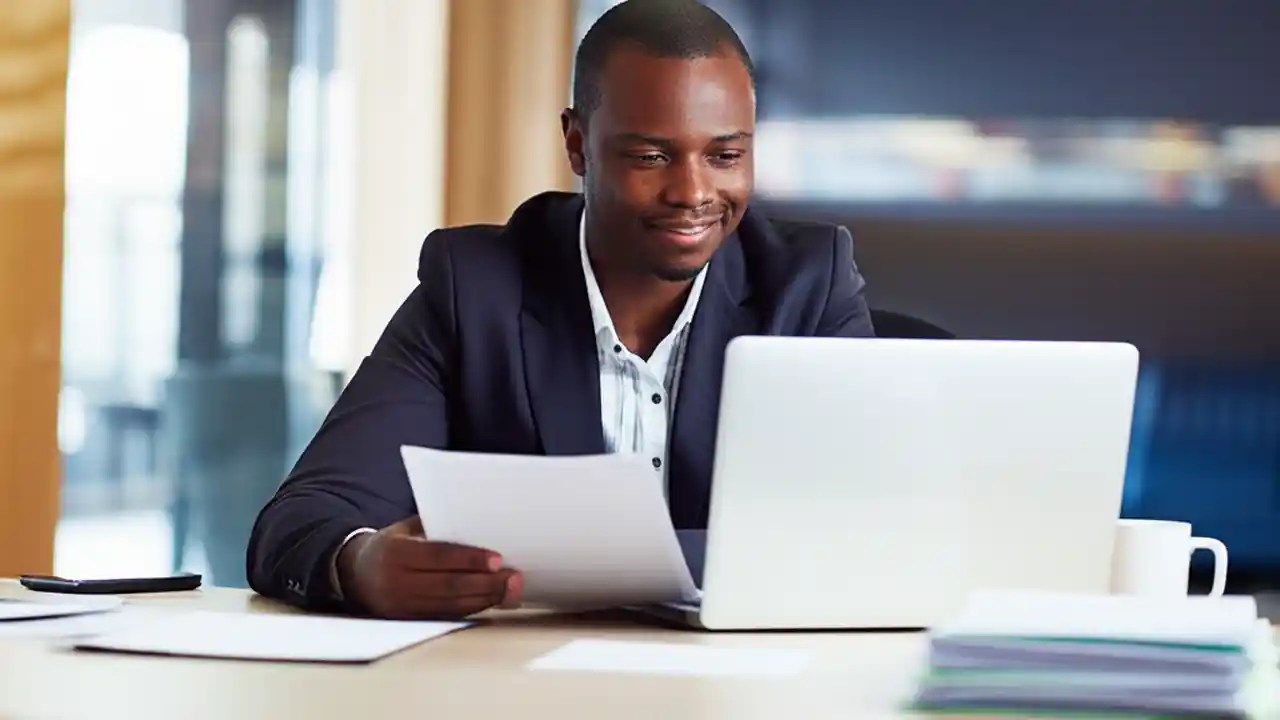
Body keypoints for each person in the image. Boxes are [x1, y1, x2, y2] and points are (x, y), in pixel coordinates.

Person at [246, 0, 874, 619]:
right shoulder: (475, 290)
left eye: (725, 156)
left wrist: (590, 567)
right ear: (577, 145)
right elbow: (302, 519)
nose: (693, 192)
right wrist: (360, 565)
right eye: (651, 156)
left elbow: (868, 531)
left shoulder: (808, 286)